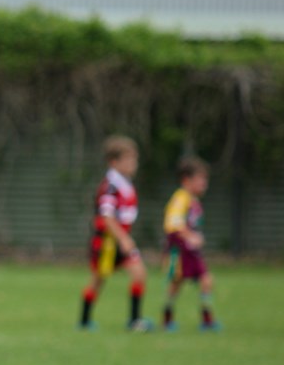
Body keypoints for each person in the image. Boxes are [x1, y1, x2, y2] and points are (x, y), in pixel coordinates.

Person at [78, 135, 154, 332]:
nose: (133, 164)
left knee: (139, 274)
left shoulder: (124, 183)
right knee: (98, 280)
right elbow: (107, 217)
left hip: (121, 242)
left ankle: (135, 320)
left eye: (134, 159)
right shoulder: (110, 186)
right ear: (114, 162)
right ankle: (85, 321)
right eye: (128, 160)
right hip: (107, 243)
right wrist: (124, 238)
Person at [161, 156, 220, 331]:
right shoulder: (181, 198)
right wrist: (190, 237)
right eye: (200, 179)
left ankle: (207, 320)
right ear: (187, 180)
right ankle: (167, 319)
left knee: (206, 280)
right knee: (176, 283)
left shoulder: (193, 200)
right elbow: (173, 223)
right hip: (178, 251)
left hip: (191, 252)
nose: (204, 183)